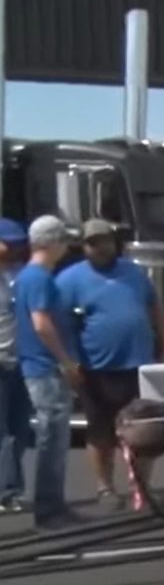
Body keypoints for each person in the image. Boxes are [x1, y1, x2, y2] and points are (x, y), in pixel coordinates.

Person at [57, 219, 164, 508]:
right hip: (95, 368)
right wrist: (68, 363)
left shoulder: (133, 272)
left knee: (144, 430)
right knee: (101, 432)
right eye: (93, 243)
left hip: (138, 364)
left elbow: (154, 308)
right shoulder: (69, 280)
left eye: (105, 241)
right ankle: (105, 488)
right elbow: (59, 324)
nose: (100, 248)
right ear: (83, 246)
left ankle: (141, 487)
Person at [14, 216, 84, 529]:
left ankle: (51, 506)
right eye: (64, 240)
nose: (67, 247)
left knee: (50, 436)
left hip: (35, 364)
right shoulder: (40, 279)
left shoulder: (26, 277)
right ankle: (50, 509)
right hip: (45, 367)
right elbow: (42, 324)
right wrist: (66, 361)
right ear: (53, 242)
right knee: (52, 438)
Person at [0, 219, 30, 513]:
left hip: (21, 361)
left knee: (21, 429)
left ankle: (10, 487)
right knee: (4, 432)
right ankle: (8, 492)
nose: (15, 247)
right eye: (9, 242)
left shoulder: (22, 275)